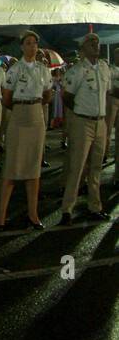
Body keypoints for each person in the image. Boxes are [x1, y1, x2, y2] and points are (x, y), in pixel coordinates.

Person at [0, 30, 53, 230]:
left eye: (35, 43)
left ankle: (33, 214)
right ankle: (1, 217)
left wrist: (34, 106)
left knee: (33, 168)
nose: (32, 46)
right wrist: (22, 108)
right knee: (12, 167)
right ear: (22, 47)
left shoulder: (43, 70)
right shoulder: (14, 70)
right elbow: (7, 98)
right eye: (28, 43)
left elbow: (47, 95)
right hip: (19, 115)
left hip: (37, 115)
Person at [59, 32, 112, 224]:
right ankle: (67, 210)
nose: (96, 45)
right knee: (77, 167)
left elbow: (106, 93)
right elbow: (67, 97)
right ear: (83, 48)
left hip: (100, 122)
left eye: (97, 43)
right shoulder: (77, 71)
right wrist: (81, 112)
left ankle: (94, 206)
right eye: (91, 43)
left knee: (96, 167)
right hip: (83, 122)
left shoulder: (104, 68)